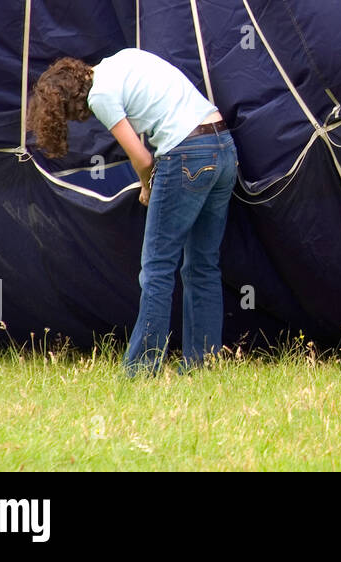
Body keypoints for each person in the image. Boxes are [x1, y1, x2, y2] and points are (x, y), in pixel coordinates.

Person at [26, 49, 237, 377]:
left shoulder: (101, 96)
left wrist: (147, 186)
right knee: (202, 264)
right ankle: (203, 363)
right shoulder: (123, 59)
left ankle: (141, 368)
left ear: (70, 101)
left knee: (157, 268)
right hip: (223, 147)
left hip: (186, 156)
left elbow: (142, 159)